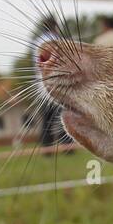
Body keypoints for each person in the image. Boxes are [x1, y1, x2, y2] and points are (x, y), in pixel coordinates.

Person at [32, 16, 68, 146]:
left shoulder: (38, 40)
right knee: (62, 115)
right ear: (55, 26)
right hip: (58, 81)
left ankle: (46, 145)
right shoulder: (56, 40)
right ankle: (67, 146)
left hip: (41, 83)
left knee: (46, 118)